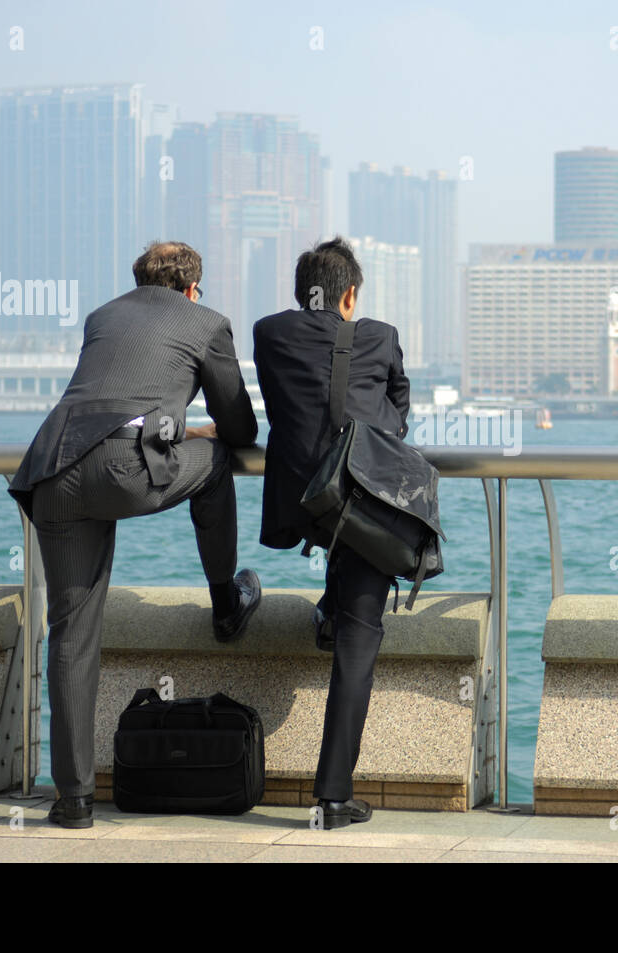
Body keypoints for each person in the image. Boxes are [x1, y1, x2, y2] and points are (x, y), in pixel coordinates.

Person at [8, 241, 263, 829]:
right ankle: (226, 602)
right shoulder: (206, 323)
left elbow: (109, 397)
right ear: (193, 288)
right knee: (220, 459)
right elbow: (241, 426)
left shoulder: (103, 315)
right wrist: (191, 430)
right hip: (124, 471)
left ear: (138, 280)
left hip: (53, 469)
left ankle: (72, 800)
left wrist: (168, 423)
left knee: (70, 635)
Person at [253, 236, 410, 830]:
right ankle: (334, 795)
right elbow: (397, 411)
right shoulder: (380, 335)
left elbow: (278, 401)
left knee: (343, 587)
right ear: (350, 295)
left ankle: (328, 606)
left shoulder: (269, 333)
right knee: (359, 643)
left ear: (302, 293)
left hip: (300, 502)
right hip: (362, 505)